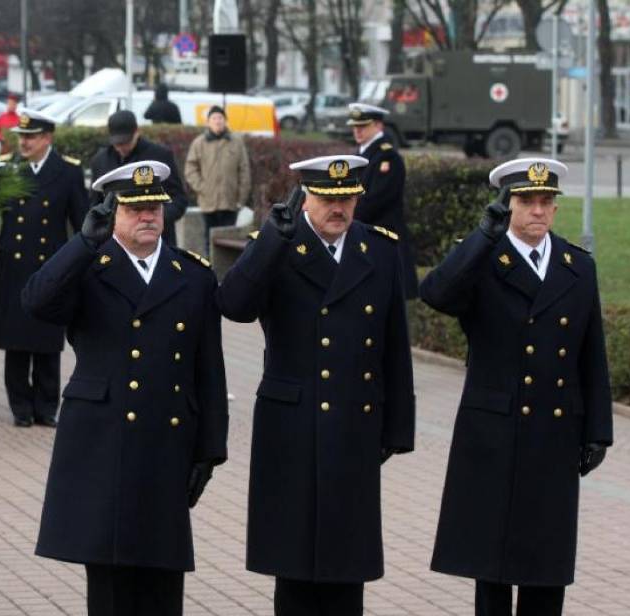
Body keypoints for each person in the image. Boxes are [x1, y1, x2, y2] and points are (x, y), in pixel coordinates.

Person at [23, 160, 228, 616]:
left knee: (162, 579)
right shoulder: (89, 266)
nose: (148, 217)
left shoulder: (192, 275)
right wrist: (81, 242)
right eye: (135, 208)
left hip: (167, 443)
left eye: (155, 207)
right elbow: (36, 301)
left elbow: (209, 371)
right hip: (103, 440)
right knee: (111, 583)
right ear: (112, 213)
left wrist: (210, 451)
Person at [216, 155, 415, 616]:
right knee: (295, 562)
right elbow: (234, 304)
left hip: (354, 423)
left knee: (349, 562)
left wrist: (396, 429)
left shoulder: (378, 250)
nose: (339, 208)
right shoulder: (278, 246)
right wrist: (271, 239)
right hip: (293, 425)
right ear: (305, 197)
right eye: (328, 198)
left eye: (347, 198)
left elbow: (394, 346)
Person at [420, 157, 613, 616]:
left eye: (547, 202)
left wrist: (598, 431)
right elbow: (436, 294)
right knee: (493, 565)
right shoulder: (482, 260)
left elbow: (592, 353)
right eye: (527, 201)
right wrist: (482, 237)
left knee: (546, 563)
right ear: (509, 206)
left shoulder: (576, 266)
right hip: (494, 434)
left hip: (555, 432)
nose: (538, 211)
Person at [0, 110, 87, 427]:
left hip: (51, 266)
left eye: (31, 137)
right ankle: (20, 406)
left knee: (47, 340)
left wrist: (88, 262)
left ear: (47, 138)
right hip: (13, 265)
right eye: (21, 136)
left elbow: (82, 222)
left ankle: (46, 406)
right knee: (16, 340)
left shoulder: (66, 172)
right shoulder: (7, 169)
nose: (24, 142)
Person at [347, 103, 419, 299]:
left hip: (381, 237)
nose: (357, 131)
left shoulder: (388, 157)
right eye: (355, 126)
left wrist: (345, 215)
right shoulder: (359, 155)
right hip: (360, 235)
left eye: (363, 126)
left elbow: (377, 200)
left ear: (378, 126)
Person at [89, 110, 188, 247]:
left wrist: (155, 217)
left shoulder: (159, 155)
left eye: (126, 142)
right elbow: (95, 202)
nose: (122, 147)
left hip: (156, 241)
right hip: (115, 243)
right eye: (117, 143)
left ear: (137, 132)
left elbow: (179, 199)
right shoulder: (100, 161)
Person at [184, 105, 251, 254]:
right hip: (208, 202)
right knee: (209, 238)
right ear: (208, 122)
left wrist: (242, 197)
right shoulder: (199, 143)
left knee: (228, 239)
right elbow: (190, 169)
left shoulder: (236, 142)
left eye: (220, 118)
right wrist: (202, 187)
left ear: (225, 121)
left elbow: (244, 170)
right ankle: (211, 269)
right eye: (214, 118)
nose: (218, 121)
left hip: (230, 201)